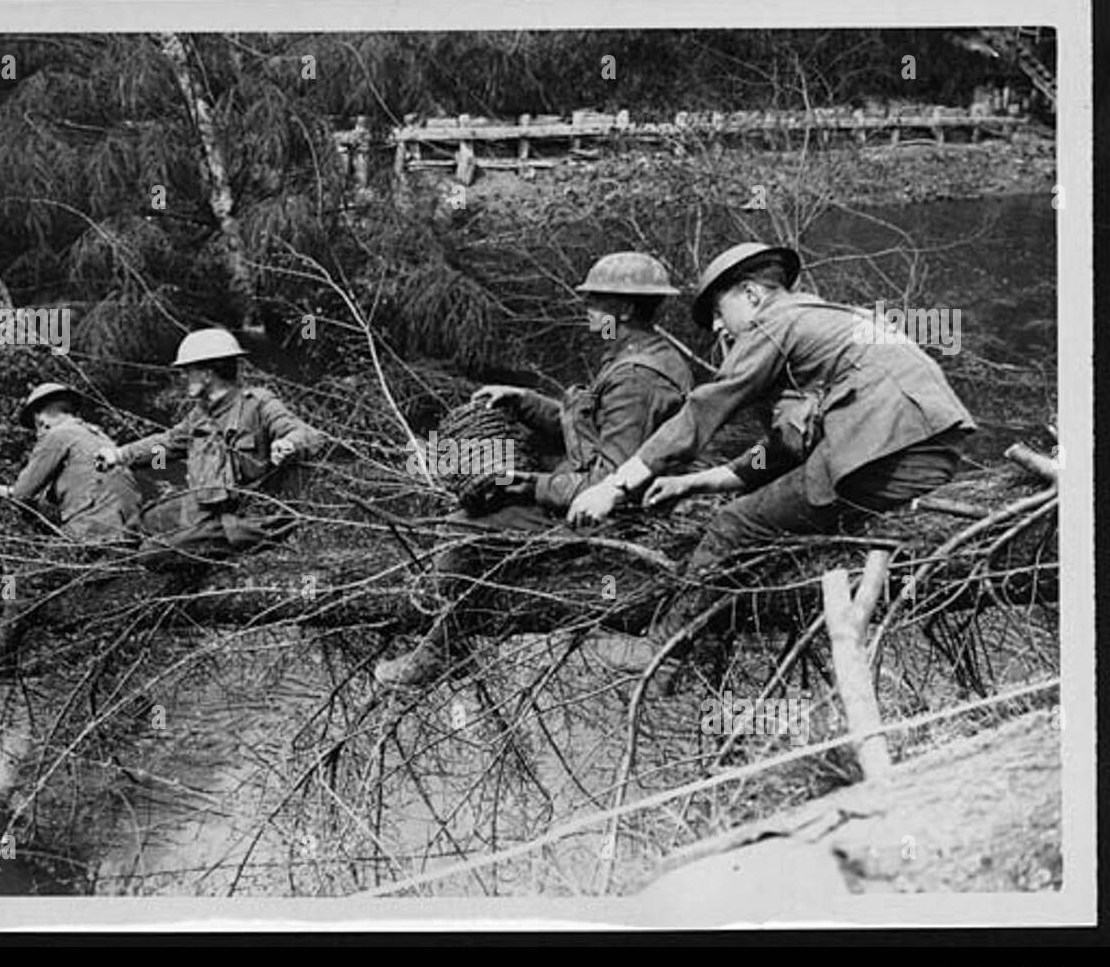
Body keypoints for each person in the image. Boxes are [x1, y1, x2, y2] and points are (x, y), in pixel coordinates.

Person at [567, 241, 977, 658]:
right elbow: (783, 449)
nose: (718, 327)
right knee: (767, 512)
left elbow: (704, 410)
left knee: (734, 524)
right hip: (929, 448)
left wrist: (615, 486)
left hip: (884, 450)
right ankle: (709, 638)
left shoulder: (773, 324)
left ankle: (662, 651)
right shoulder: (832, 319)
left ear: (751, 294)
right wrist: (696, 482)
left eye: (719, 311)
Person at [374, 251, 695, 689]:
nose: (587, 309)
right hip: (598, 492)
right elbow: (591, 432)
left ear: (622, 308)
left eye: (596, 301)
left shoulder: (637, 378)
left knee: (463, 528)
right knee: (486, 503)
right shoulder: (637, 353)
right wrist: (523, 400)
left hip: (615, 515)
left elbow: (610, 482)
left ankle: (443, 648)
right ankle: (456, 628)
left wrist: (525, 485)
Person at [0, 382, 141, 675]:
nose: (37, 432)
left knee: (19, 580)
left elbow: (23, 493)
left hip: (93, 531)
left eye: (36, 426)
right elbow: (71, 495)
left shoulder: (57, 435)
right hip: (128, 534)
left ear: (41, 418)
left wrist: (8, 493)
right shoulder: (98, 436)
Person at [95, 327, 323, 568]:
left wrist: (288, 444)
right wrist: (119, 455)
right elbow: (168, 443)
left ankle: (202, 568)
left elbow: (308, 435)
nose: (183, 377)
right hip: (210, 509)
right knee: (139, 524)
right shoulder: (200, 414)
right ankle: (107, 569)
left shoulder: (258, 403)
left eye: (188, 371)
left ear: (207, 373)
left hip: (248, 521)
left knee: (152, 555)